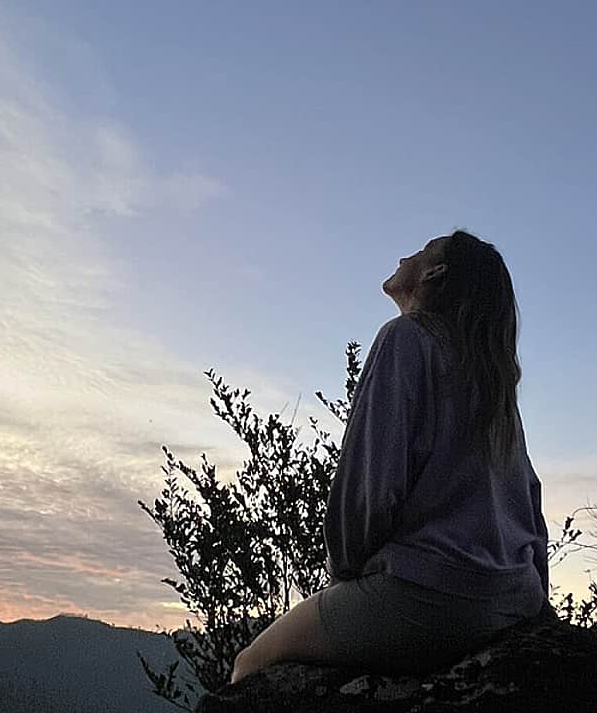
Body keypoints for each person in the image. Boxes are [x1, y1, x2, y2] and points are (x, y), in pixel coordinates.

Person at [229, 229, 550, 685]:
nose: (405, 255)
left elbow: (372, 482)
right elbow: (528, 499)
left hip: (431, 596)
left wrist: (347, 571)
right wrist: (538, 599)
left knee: (250, 664)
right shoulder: (491, 379)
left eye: (420, 251)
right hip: (513, 598)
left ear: (434, 273)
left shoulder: (405, 338)